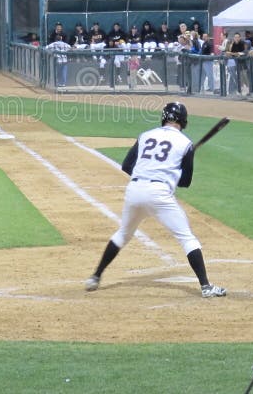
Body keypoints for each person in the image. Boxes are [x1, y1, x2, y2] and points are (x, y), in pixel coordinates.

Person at [84, 102, 227, 298]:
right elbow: (185, 182)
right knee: (186, 238)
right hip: (159, 194)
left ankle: (95, 276)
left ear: (164, 118)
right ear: (184, 122)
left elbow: (126, 166)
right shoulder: (185, 144)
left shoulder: (146, 135)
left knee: (123, 234)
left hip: (134, 190)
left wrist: (153, 169)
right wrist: (175, 170)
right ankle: (206, 286)